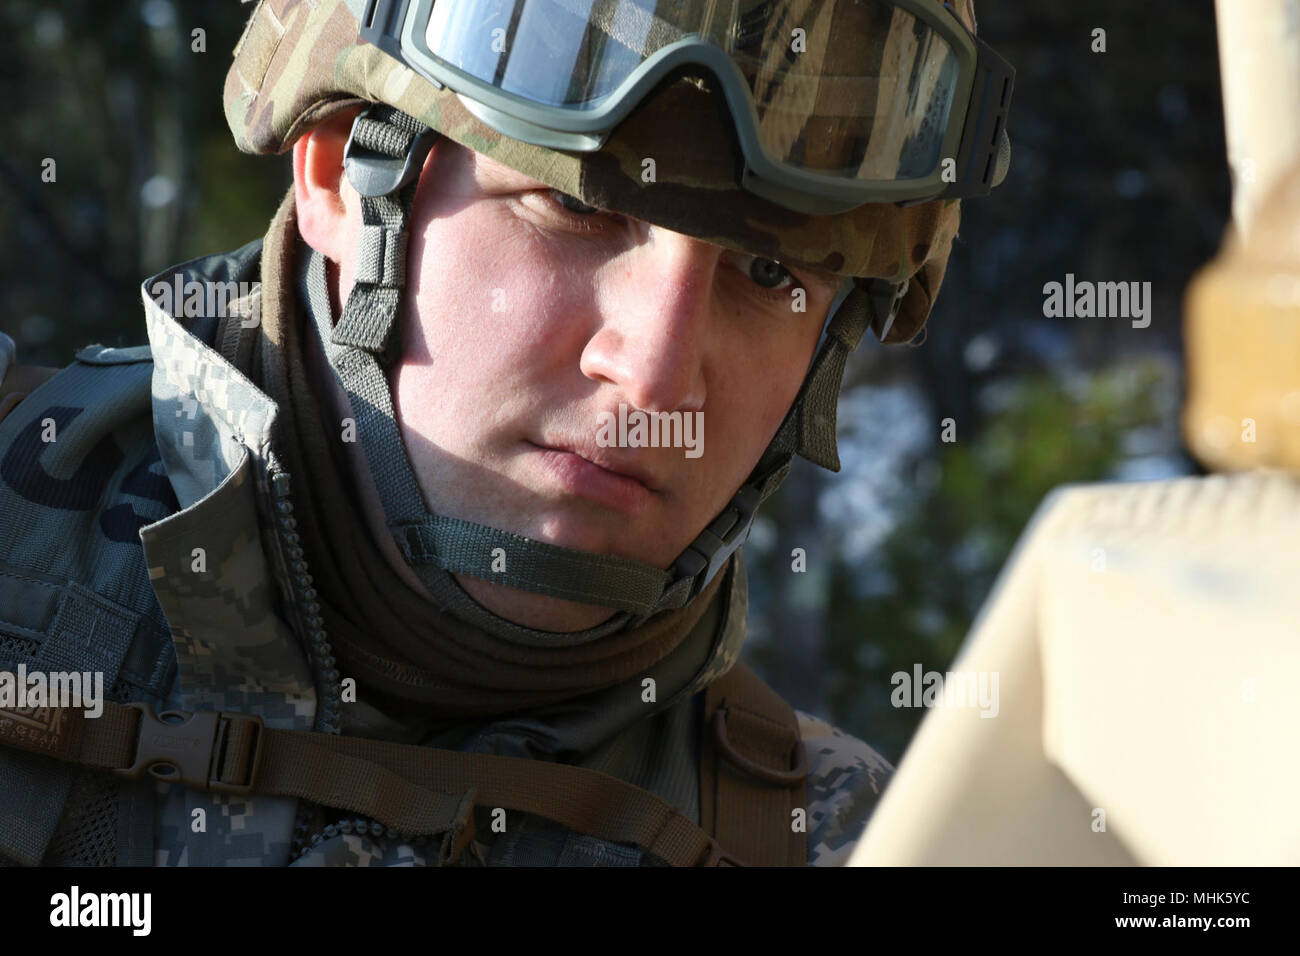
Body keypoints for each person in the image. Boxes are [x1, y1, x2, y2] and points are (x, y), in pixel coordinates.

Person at [0, 0, 1011, 866]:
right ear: (339, 177)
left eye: (766, 275)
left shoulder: (843, 834)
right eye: (574, 206)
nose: (653, 371)